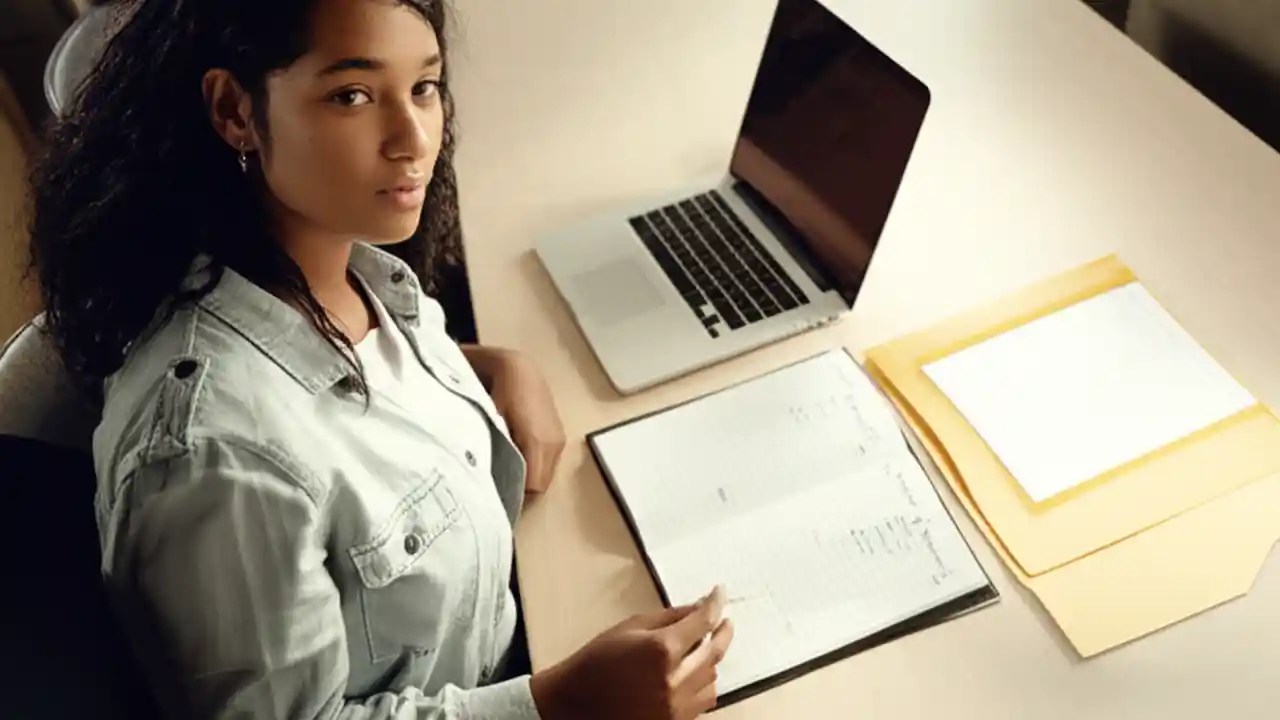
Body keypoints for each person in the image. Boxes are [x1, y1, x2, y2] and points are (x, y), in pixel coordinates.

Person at [26, 1, 734, 718]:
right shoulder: (216, 462)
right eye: (352, 96)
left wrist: (486, 367)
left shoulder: (339, 266)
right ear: (234, 109)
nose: (414, 138)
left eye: (425, 87)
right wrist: (561, 705)